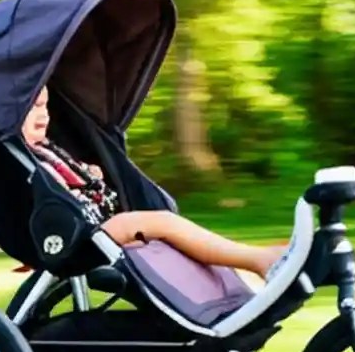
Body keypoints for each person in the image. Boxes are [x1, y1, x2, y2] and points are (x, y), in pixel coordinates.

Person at [23, 87, 289, 279]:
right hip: (83, 234)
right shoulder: (26, 159)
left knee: (174, 243)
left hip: (99, 222)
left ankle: (237, 282)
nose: (43, 114)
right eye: (32, 106)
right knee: (161, 222)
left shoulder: (49, 149)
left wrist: (90, 173)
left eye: (45, 105)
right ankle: (259, 260)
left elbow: (75, 176)